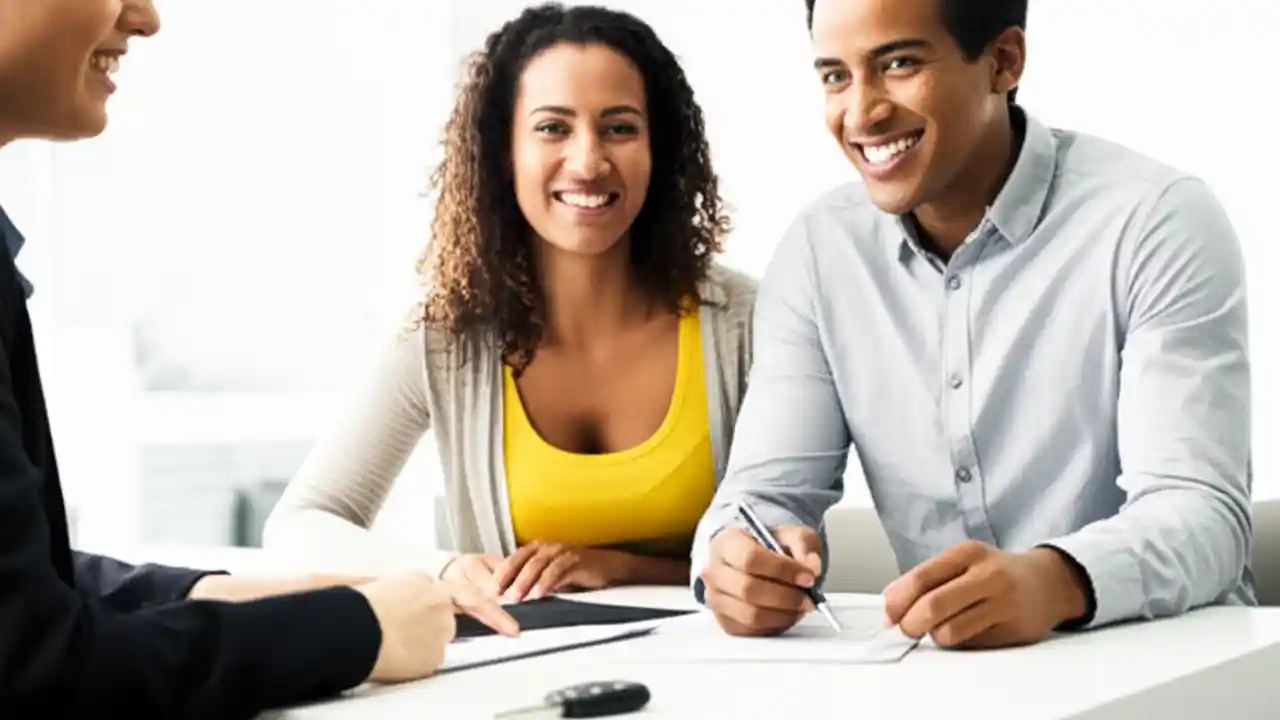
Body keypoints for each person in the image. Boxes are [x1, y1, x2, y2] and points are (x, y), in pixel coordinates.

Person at [0, 1, 516, 716]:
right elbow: (36, 667)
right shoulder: (446, 334)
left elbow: (22, 591)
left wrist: (203, 592)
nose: (145, 18)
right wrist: (355, 631)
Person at [693, 0, 1254, 647]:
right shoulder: (820, 251)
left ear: (1004, 61)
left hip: (1174, 666)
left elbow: (1202, 512)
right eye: (835, 76)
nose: (861, 112)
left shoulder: (1154, 221)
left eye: (898, 63)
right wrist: (736, 560)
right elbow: (761, 496)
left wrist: (1054, 580)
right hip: (950, 681)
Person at [264, 3, 754, 605]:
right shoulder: (446, 340)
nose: (588, 161)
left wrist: (618, 568)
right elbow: (300, 526)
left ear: (661, 149)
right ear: (503, 152)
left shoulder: (743, 324)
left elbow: (784, 553)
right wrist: (444, 571)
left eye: (620, 127)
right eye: (553, 128)